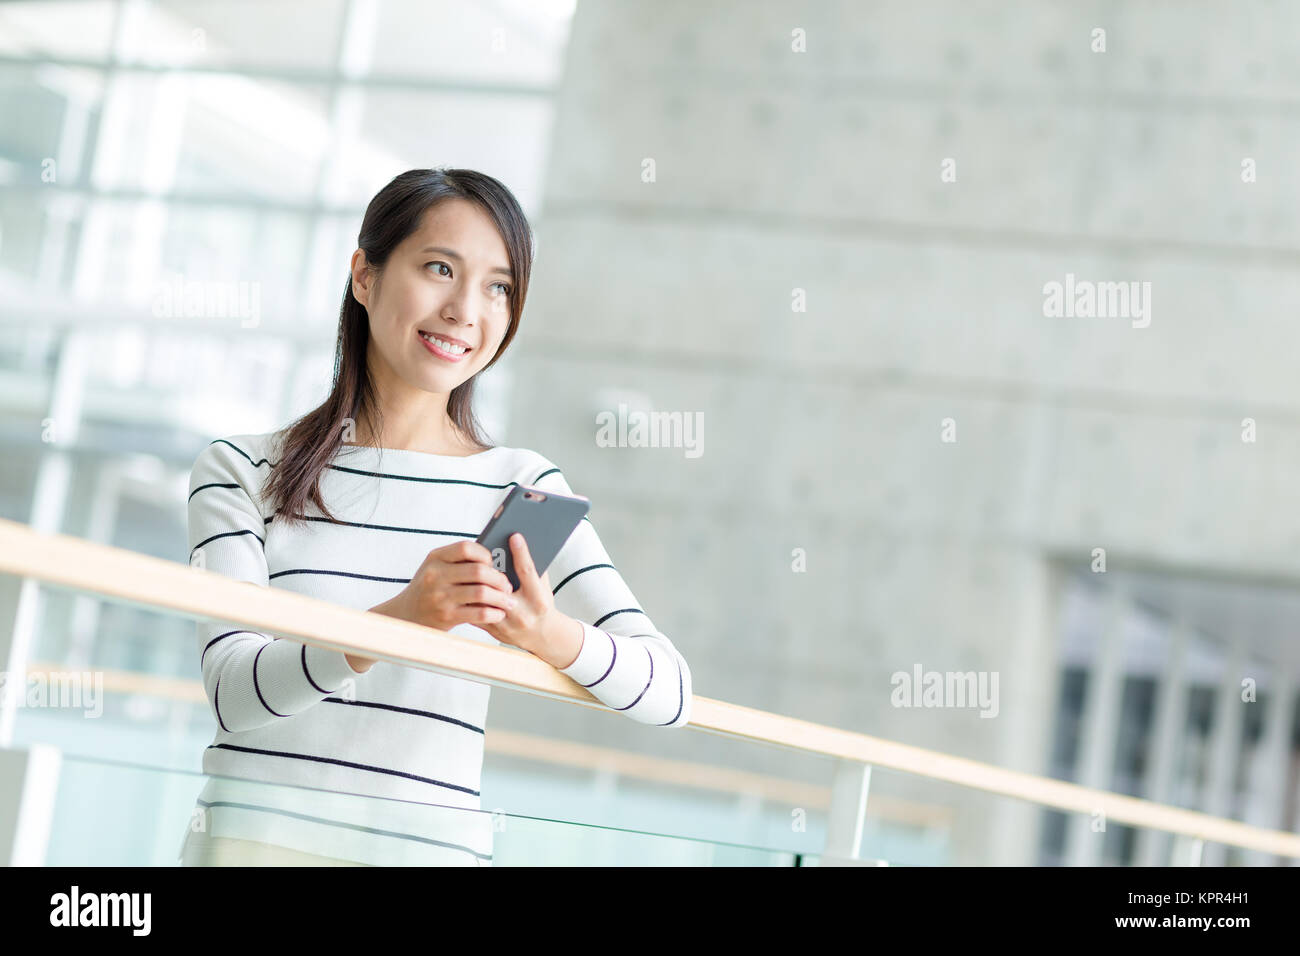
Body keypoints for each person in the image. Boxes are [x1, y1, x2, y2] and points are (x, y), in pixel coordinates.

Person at [179, 168, 693, 866]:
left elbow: (668, 691)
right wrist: (402, 621)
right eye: (439, 268)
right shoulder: (243, 470)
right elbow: (234, 694)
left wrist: (546, 634)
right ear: (365, 275)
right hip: (256, 845)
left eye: (498, 287)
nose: (464, 309)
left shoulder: (517, 486)